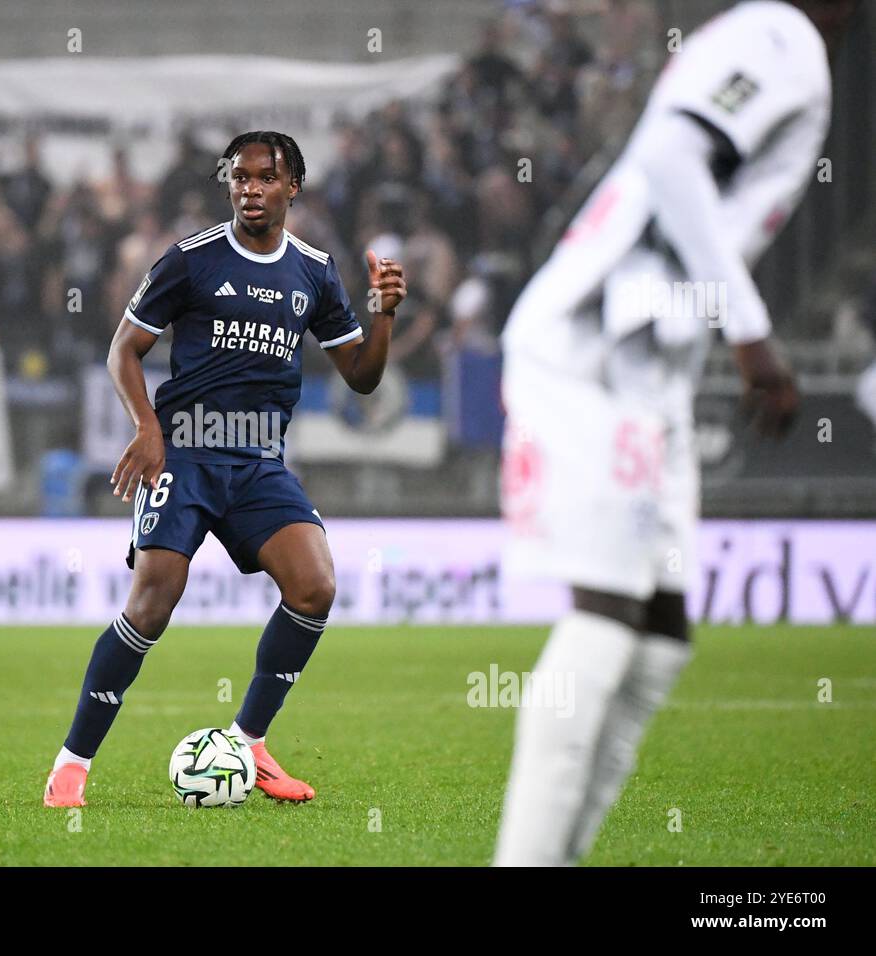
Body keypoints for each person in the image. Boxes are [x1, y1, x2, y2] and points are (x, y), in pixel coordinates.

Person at [494, 0, 858, 866]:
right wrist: (754, 335)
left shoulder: (763, 40)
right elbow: (669, 155)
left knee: (658, 634)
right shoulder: (781, 38)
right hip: (592, 347)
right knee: (612, 606)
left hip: (643, 364)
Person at [43, 131, 407, 807]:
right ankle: (72, 763)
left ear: (292, 186)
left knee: (316, 587)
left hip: (259, 459)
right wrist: (147, 429)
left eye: (266, 178)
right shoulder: (193, 261)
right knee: (153, 601)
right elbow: (123, 351)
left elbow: (360, 376)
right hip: (183, 450)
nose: (250, 189)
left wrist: (383, 316)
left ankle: (251, 743)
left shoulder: (314, 272)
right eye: (240, 178)